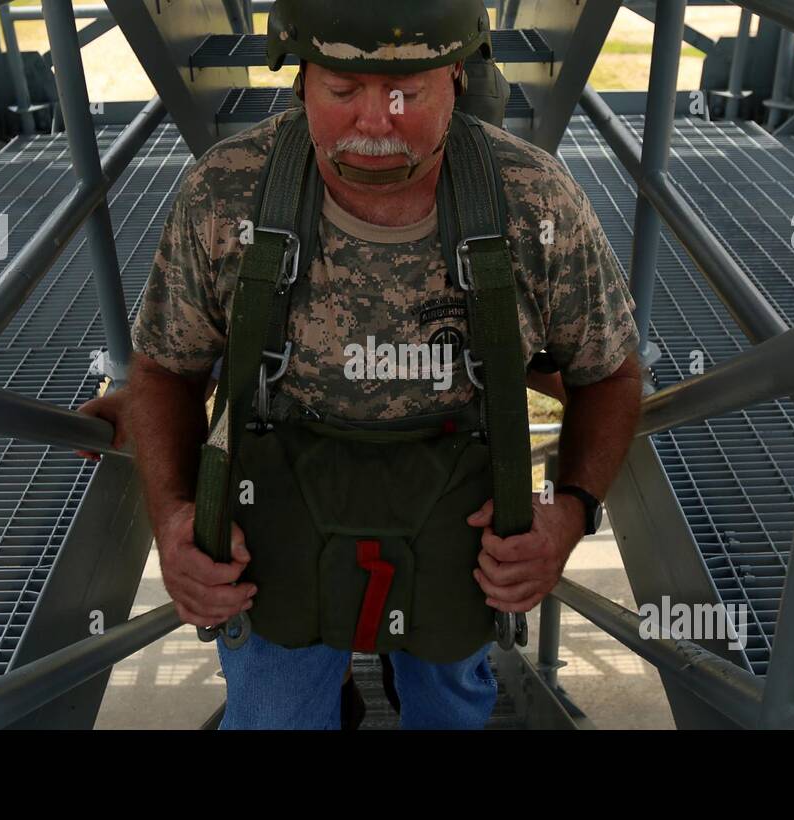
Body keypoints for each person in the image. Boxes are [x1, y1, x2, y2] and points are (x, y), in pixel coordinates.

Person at [109, 0, 643, 729]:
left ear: (458, 75)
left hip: (460, 524)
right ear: (299, 82)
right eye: (341, 91)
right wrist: (173, 520)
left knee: (451, 706)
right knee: (274, 715)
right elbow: (165, 370)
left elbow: (608, 374)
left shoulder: (533, 203)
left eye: (406, 92)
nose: (374, 122)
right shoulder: (227, 193)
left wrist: (569, 513)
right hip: (276, 518)